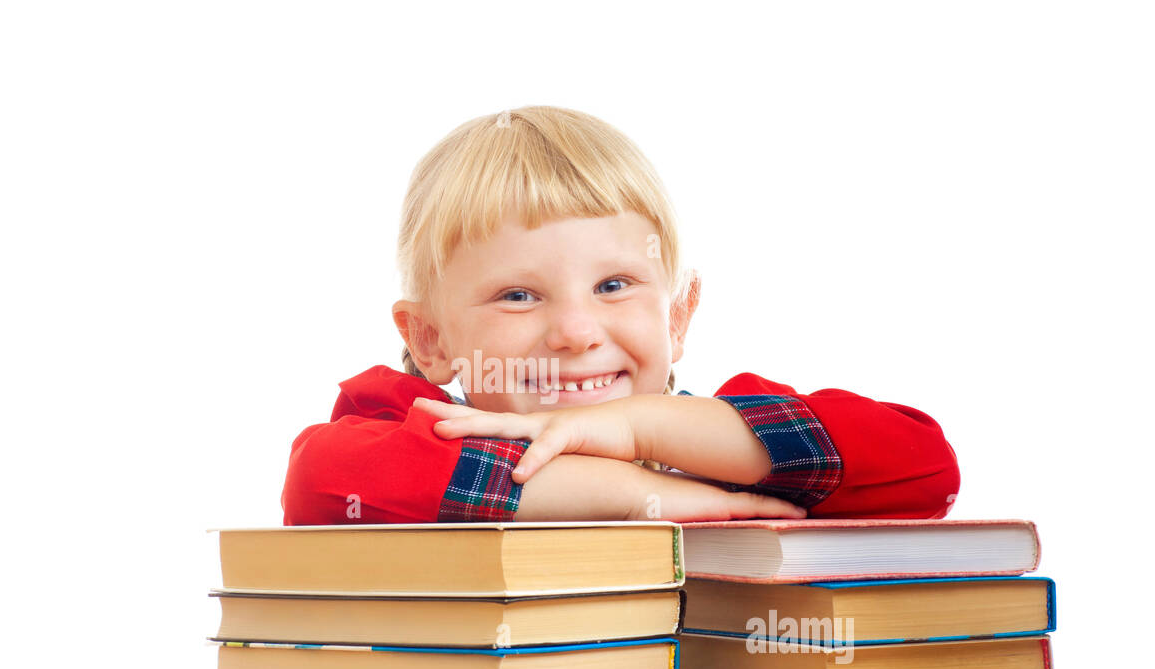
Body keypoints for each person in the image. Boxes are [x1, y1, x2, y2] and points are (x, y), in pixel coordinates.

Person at [282, 106, 959, 526]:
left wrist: (636, 428)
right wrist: (632, 494)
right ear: (429, 340)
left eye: (614, 284)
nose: (576, 333)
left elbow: (927, 467)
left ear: (678, 316)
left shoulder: (723, 443)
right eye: (518, 295)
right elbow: (319, 479)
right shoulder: (406, 431)